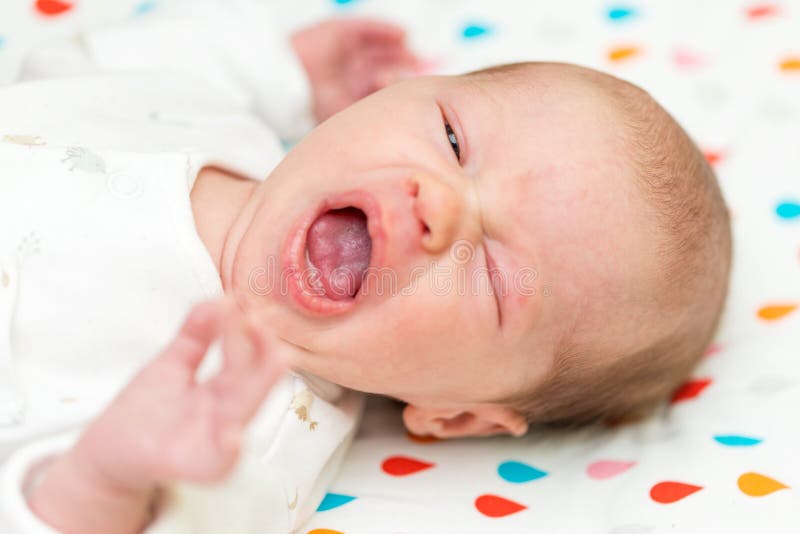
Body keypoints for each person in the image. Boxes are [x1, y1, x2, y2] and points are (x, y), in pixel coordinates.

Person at [0, 2, 732, 533]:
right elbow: (68, 66)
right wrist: (288, 67)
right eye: (450, 137)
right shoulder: (201, 111)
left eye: (496, 279)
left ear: (460, 414)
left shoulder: (248, 435)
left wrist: (101, 483)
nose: (436, 206)